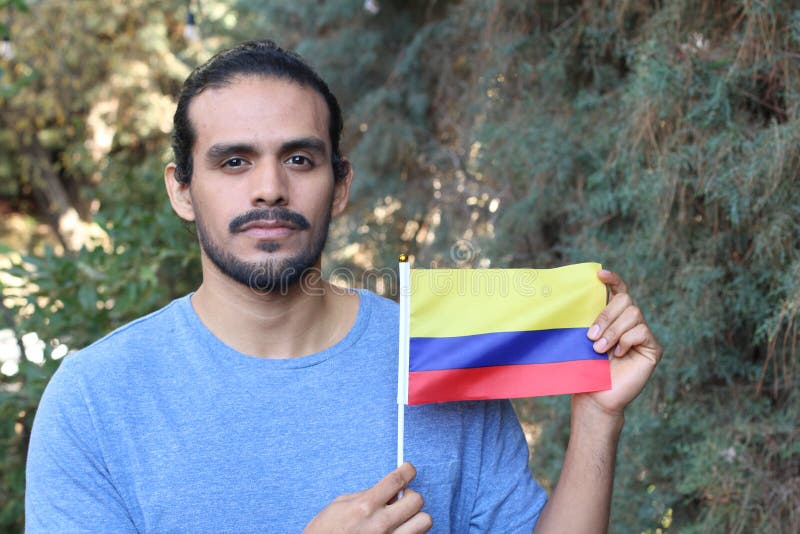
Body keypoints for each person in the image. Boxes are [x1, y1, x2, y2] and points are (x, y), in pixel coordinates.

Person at [25, 40, 662, 533]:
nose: (269, 188)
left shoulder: (435, 357)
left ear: (340, 185)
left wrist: (597, 420)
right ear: (182, 189)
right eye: (234, 161)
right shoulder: (95, 400)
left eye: (299, 159)